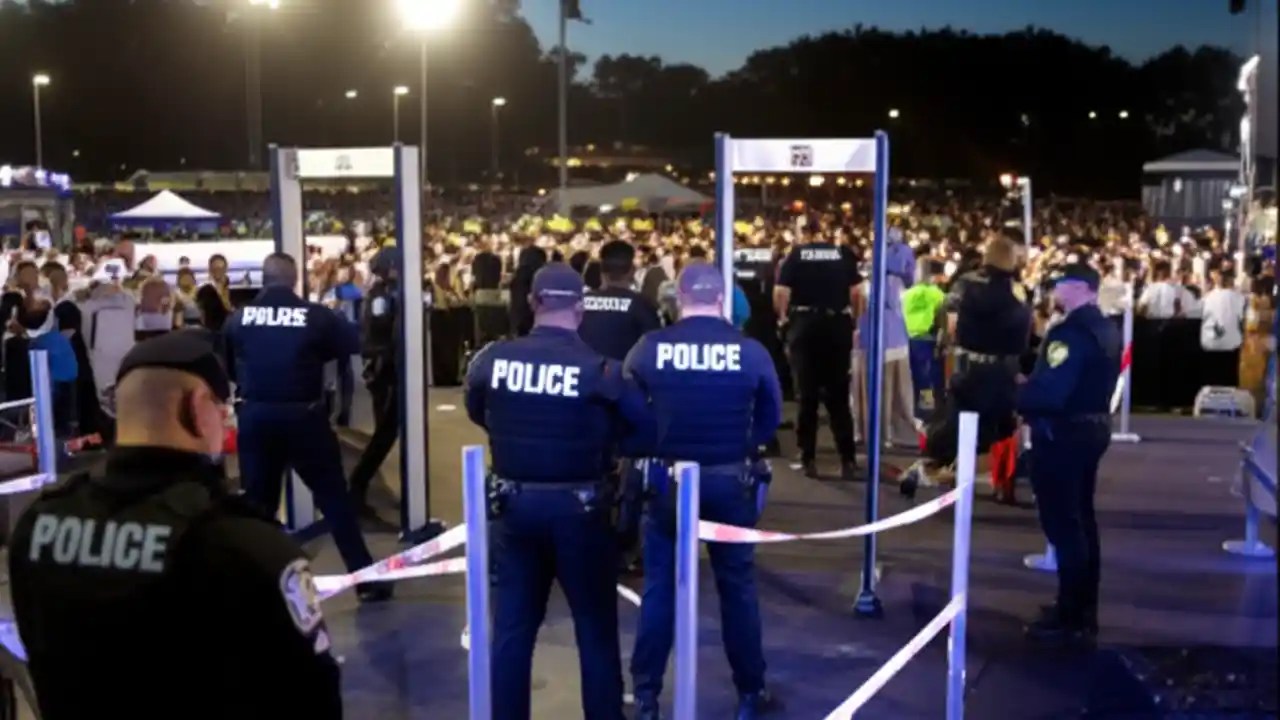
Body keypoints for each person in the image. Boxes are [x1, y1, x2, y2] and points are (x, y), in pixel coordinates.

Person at [7, 329, 343, 719]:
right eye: (221, 406)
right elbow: (313, 697)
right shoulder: (244, 545)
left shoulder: (39, 526)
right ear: (198, 408)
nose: (225, 419)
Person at [465, 262, 651, 720]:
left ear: (533, 303)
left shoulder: (492, 360)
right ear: (581, 309)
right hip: (581, 510)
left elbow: (478, 409)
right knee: (595, 630)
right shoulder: (601, 371)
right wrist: (607, 444)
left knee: (512, 630)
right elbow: (646, 429)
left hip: (513, 506)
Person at [627, 261, 783, 720]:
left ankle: (647, 695)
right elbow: (771, 417)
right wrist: (742, 442)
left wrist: (657, 440)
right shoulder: (750, 351)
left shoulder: (650, 348)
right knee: (737, 588)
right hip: (730, 477)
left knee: (660, 588)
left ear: (679, 300)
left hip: (668, 479)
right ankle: (750, 691)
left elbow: (629, 409)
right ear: (721, 299)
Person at [223, 253, 390, 602]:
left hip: (256, 415)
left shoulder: (239, 318)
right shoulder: (315, 316)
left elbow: (227, 364)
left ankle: (252, 584)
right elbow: (351, 344)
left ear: (264, 278)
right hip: (304, 417)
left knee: (258, 507)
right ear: (294, 279)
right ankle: (365, 579)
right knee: (334, 499)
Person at [1018, 264, 1121, 646]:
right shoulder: (1105, 328)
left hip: (1062, 433)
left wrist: (1015, 394)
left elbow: (1052, 392)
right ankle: (1081, 609)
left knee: (1064, 525)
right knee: (1082, 521)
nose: (1054, 291)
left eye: (1060, 284)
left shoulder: (1069, 333)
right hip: (1092, 428)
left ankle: (1071, 615)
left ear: (1078, 288)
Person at [903, 234, 1031, 502]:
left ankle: (930, 469)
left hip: (969, 366)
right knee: (1001, 430)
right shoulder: (1017, 290)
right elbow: (1023, 335)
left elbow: (951, 326)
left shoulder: (965, 284)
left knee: (953, 424)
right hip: (1002, 370)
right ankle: (1002, 484)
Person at [578, 239, 662, 575]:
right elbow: (655, 353)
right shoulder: (642, 306)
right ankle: (625, 545)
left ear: (601, 270)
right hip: (627, 402)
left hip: (584, 400)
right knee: (631, 476)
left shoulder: (581, 305)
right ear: (631, 270)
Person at [773, 226, 860, 480]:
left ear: (805, 234)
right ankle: (847, 459)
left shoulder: (796, 255)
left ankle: (807, 457)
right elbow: (857, 293)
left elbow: (780, 293)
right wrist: (854, 322)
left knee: (806, 395)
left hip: (805, 326)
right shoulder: (842, 254)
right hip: (837, 326)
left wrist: (783, 321)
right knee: (838, 396)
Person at [348, 246, 401, 513]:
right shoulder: (382, 296)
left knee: (388, 432)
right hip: (385, 369)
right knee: (385, 434)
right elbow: (380, 331)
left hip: (386, 366)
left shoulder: (385, 293)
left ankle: (359, 486)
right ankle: (357, 485)